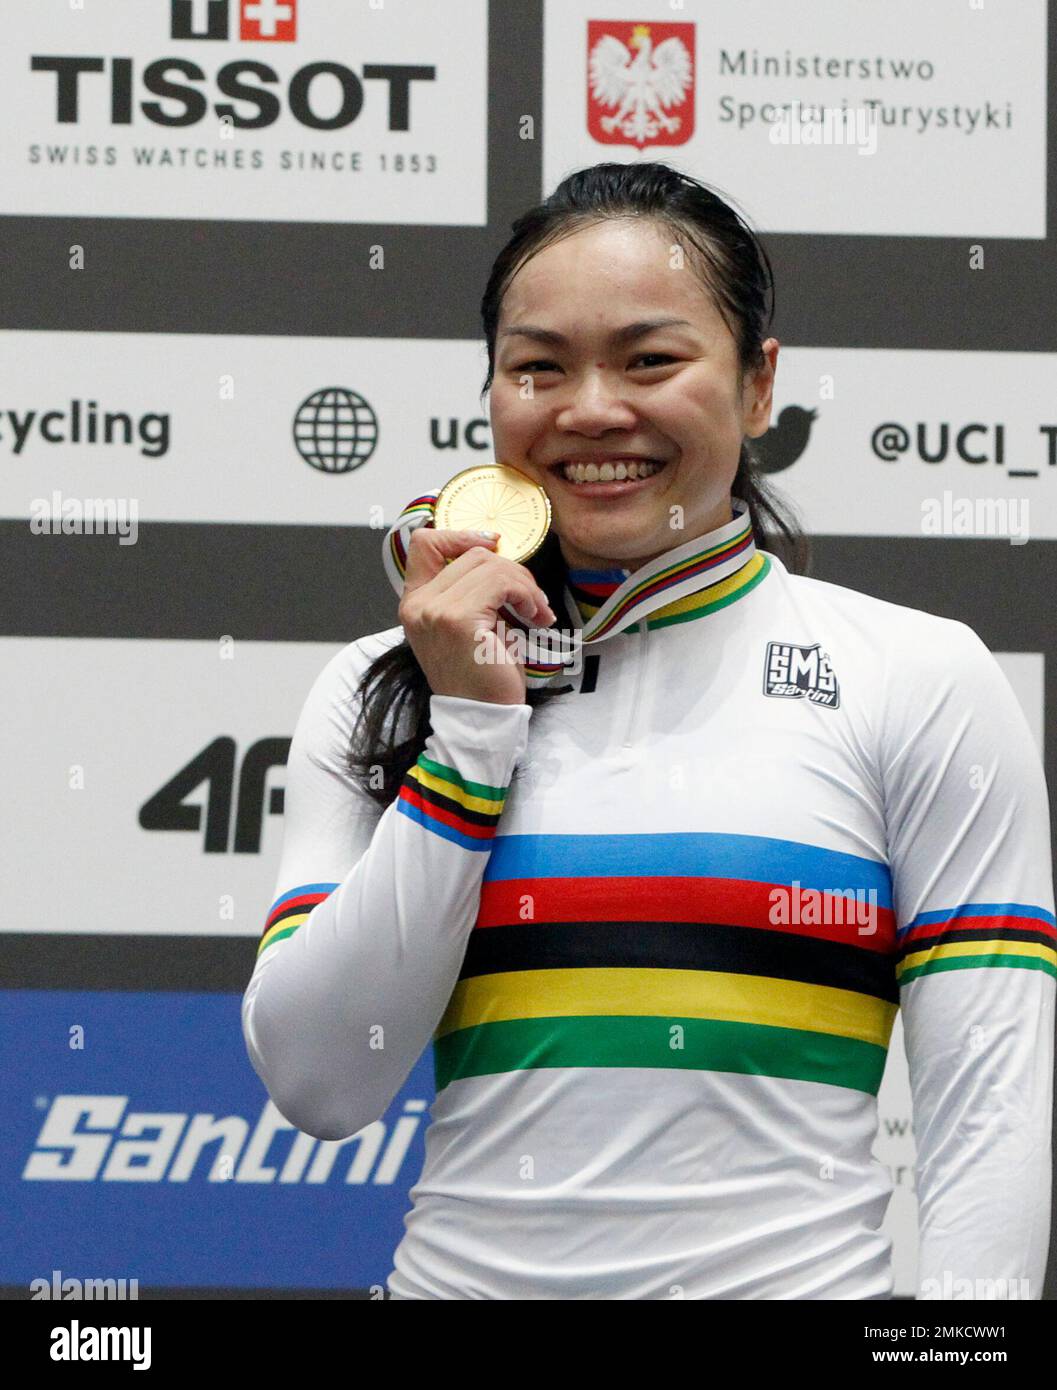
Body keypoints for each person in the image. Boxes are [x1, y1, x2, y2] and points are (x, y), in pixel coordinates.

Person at [241, 162, 1055, 1300]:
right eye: (539, 366)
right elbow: (322, 1083)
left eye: (649, 359)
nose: (589, 409)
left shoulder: (915, 677)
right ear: (490, 394)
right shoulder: (381, 689)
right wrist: (472, 732)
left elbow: (991, 1106)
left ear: (759, 385)